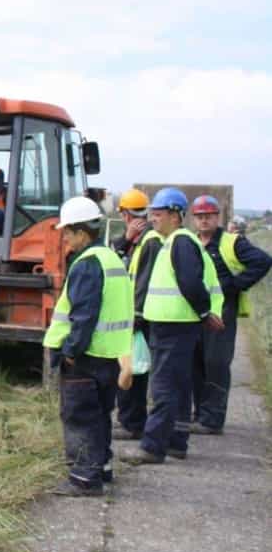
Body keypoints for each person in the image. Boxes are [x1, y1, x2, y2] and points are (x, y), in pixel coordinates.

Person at [121, 188, 224, 465]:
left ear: (175, 216)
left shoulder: (180, 242)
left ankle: (152, 447)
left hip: (173, 326)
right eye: (152, 213)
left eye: (158, 213)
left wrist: (204, 312)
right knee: (178, 386)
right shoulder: (173, 241)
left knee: (164, 388)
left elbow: (190, 283)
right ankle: (177, 442)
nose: (153, 219)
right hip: (174, 325)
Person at [44, 197, 134, 496]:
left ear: (83, 232)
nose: (65, 237)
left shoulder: (86, 264)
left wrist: (69, 351)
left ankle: (84, 479)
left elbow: (83, 316)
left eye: (68, 231)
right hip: (109, 354)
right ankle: (103, 467)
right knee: (99, 415)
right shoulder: (111, 258)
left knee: (79, 416)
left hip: (86, 356)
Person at [189, 196, 271, 434]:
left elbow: (263, 261)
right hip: (197, 311)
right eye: (200, 216)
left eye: (209, 216)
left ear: (218, 217)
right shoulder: (192, 242)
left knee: (216, 363)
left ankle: (213, 420)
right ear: (194, 219)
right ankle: (200, 414)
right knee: (197, 363)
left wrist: (235, 285)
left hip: (223, 310)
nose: (204, 221)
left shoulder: (231, 242)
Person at [111, 188, 164, 440]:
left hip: (138, 317)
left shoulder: (150, 242)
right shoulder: (137, 239)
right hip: (132, 314)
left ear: (124, 213)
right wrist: (126, 239)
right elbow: (113, 260)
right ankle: (130, 419)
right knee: (130, 368)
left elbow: (144, 282)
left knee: (133, 370)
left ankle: (132, 422)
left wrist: (137, 317)